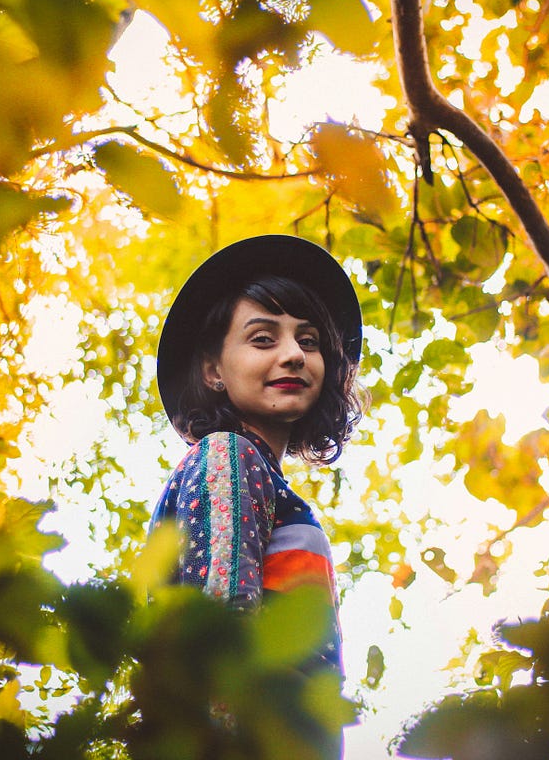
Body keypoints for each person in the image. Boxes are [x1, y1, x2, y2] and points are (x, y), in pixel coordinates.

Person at [150, 234, 364, 756]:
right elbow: (221, 619)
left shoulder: (270, 484)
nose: (293, 354)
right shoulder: (228, 456)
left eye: (309, 341)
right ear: (213, 371)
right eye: (263, 339)